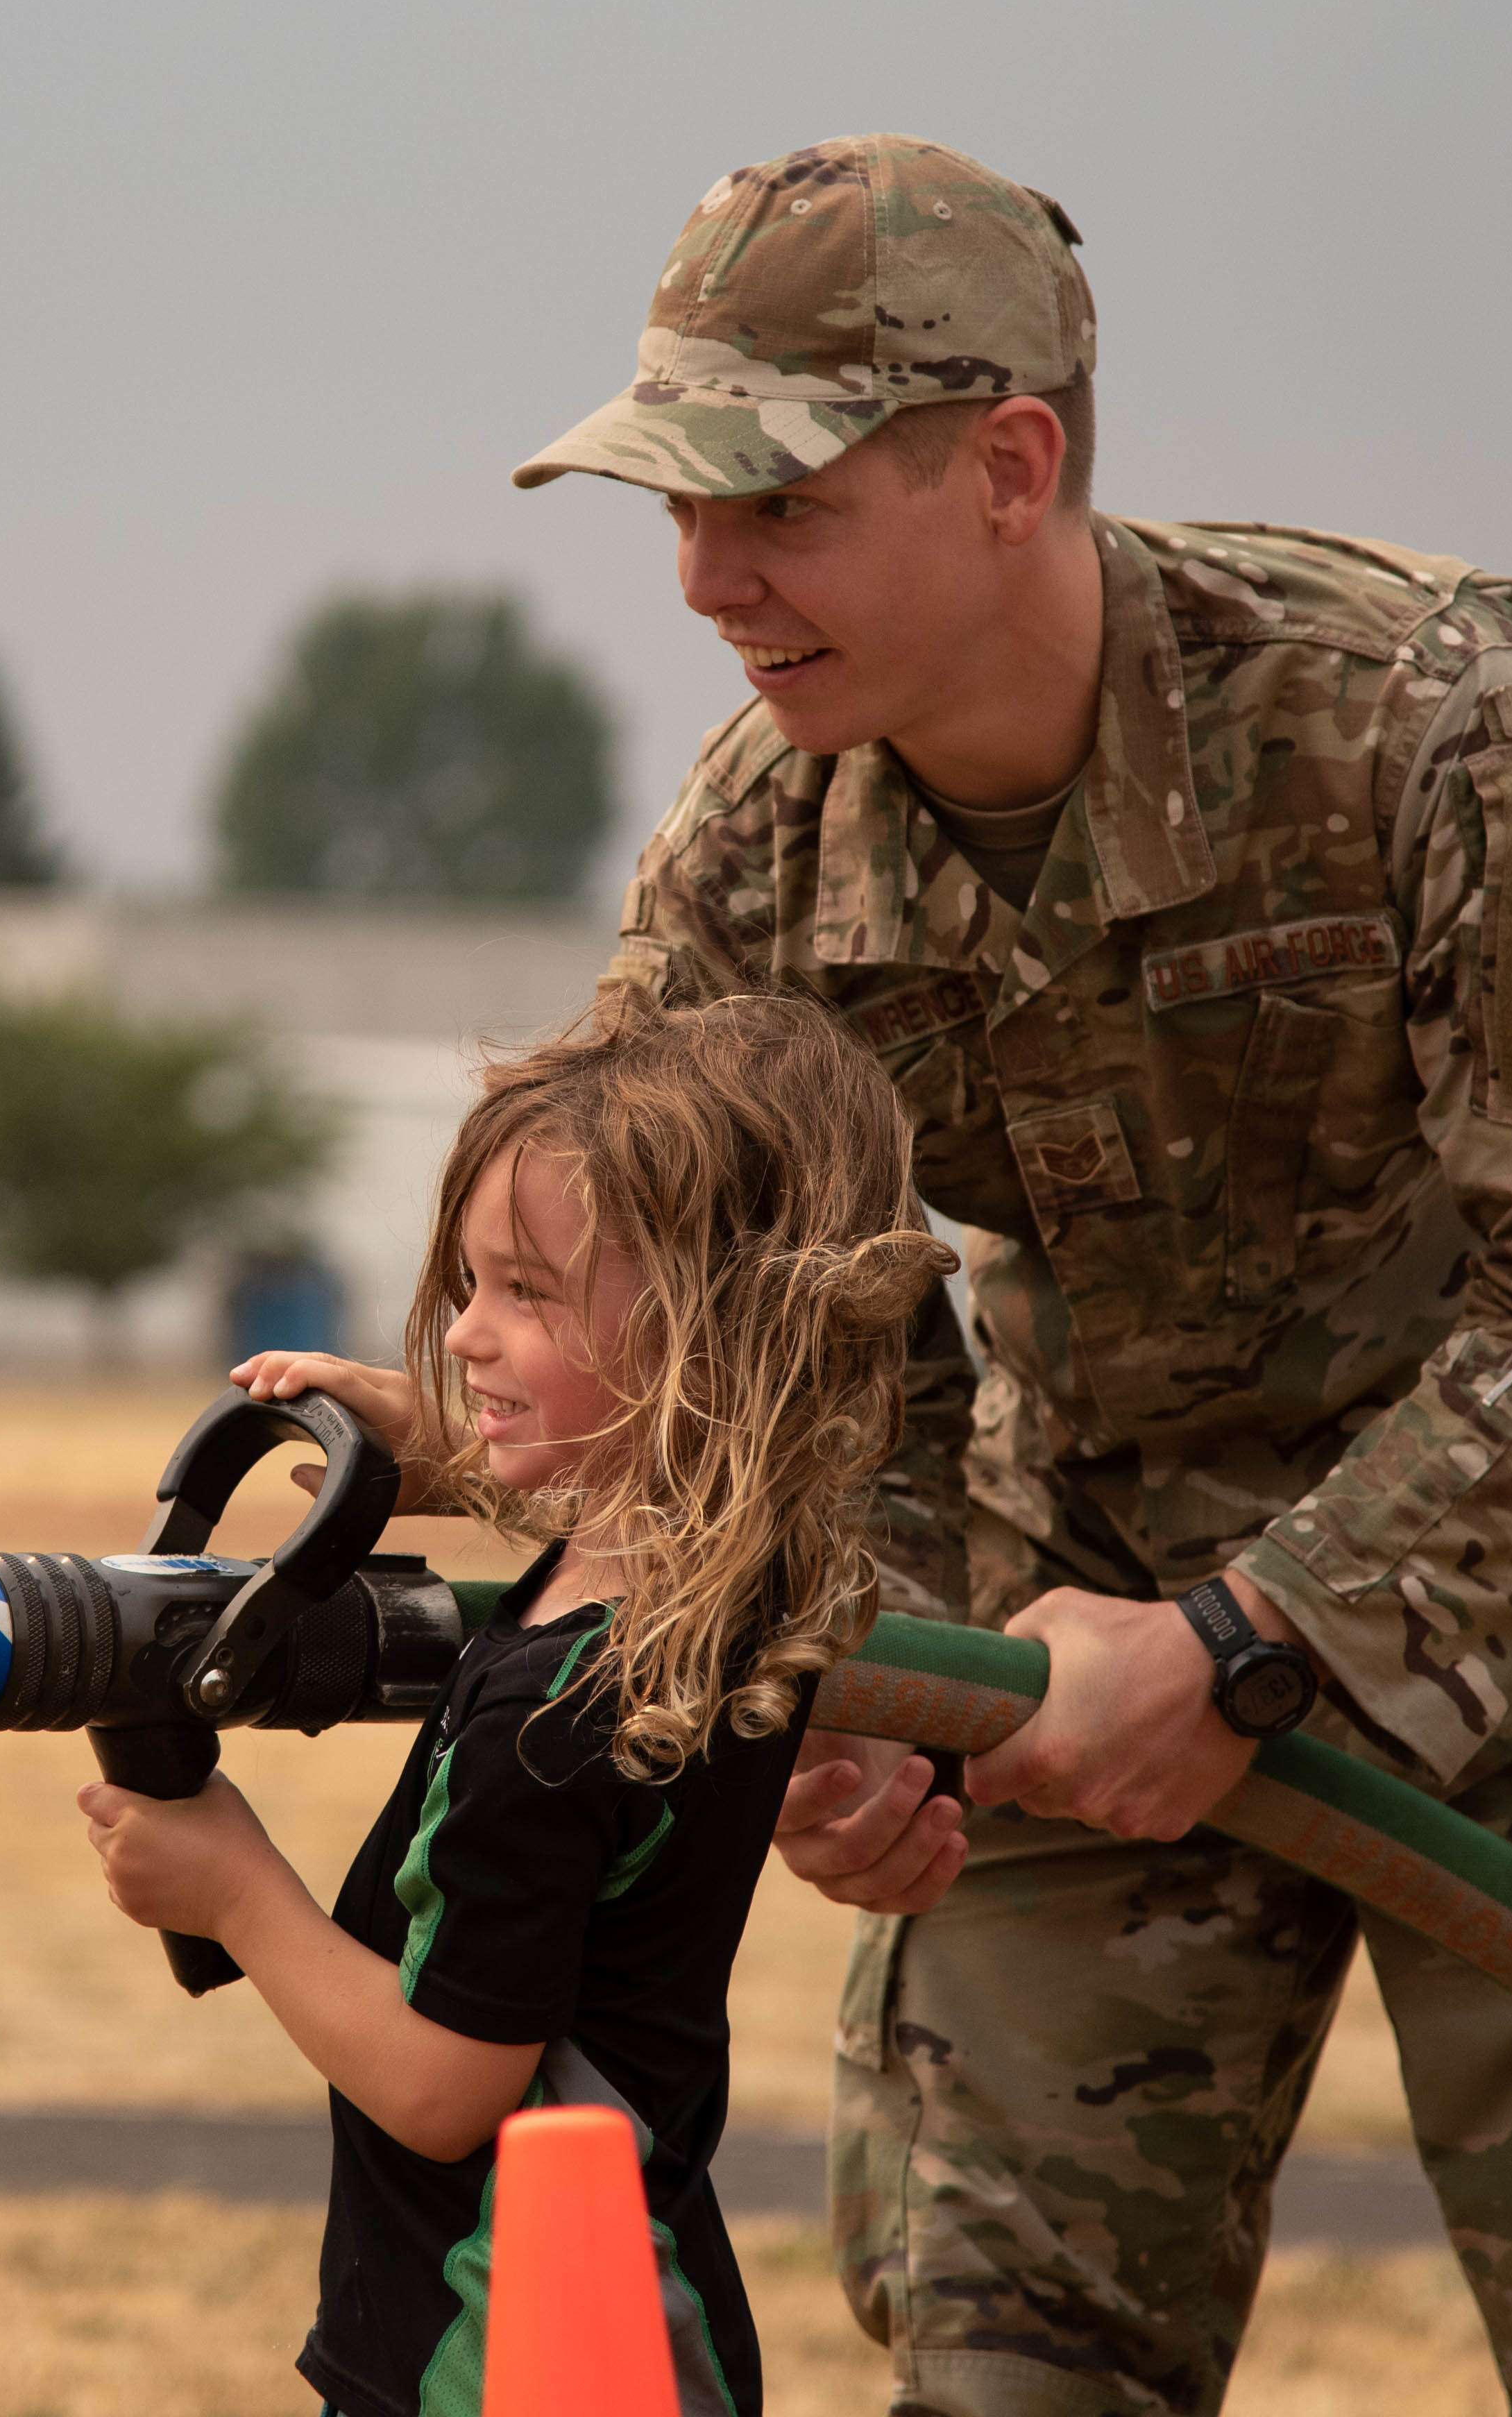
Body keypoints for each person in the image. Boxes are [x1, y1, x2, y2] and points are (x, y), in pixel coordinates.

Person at [512, 133, 1512, 2414]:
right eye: (672, 504)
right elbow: (786, 1345)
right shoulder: (752, 854)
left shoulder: (1432, 719)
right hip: (1065, 1638)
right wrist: (865, 1673)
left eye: (773, 502)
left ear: (1007, 465)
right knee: (999, 2359)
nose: (701, 578)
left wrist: (1247, 1643)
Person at [81, 990, 957, 2417]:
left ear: (707, 1324)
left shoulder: (547, 1719)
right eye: (469, 1284)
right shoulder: (735, 1589)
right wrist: (447, 1447)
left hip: (498, 2350)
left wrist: (237, 1889)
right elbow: (670, 1463)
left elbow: (443, 2084)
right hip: (644, 2315)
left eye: (527, 1293)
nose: (466, 1333)